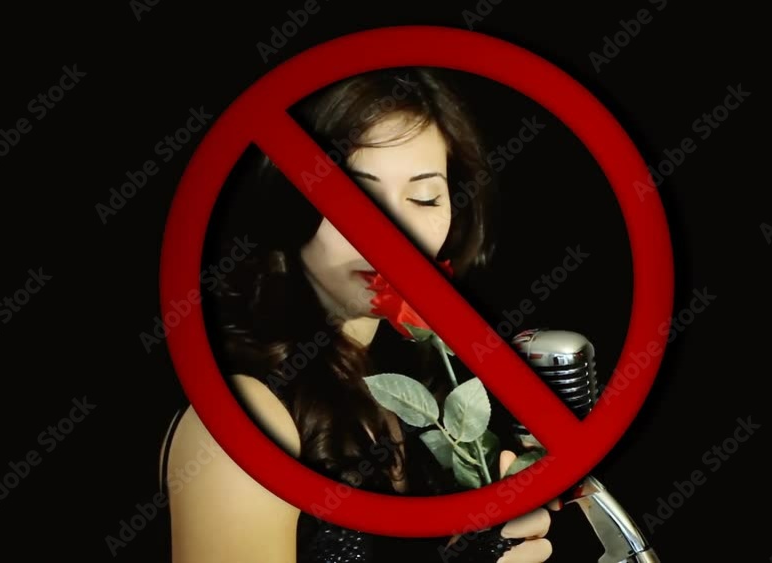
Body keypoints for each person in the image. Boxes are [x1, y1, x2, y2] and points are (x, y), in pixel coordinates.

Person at [160, 67, 555, 562]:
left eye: (424, 196)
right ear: (289, 198)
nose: (389, 231)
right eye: (353, 196)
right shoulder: (247, 418)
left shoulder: (428, 388)